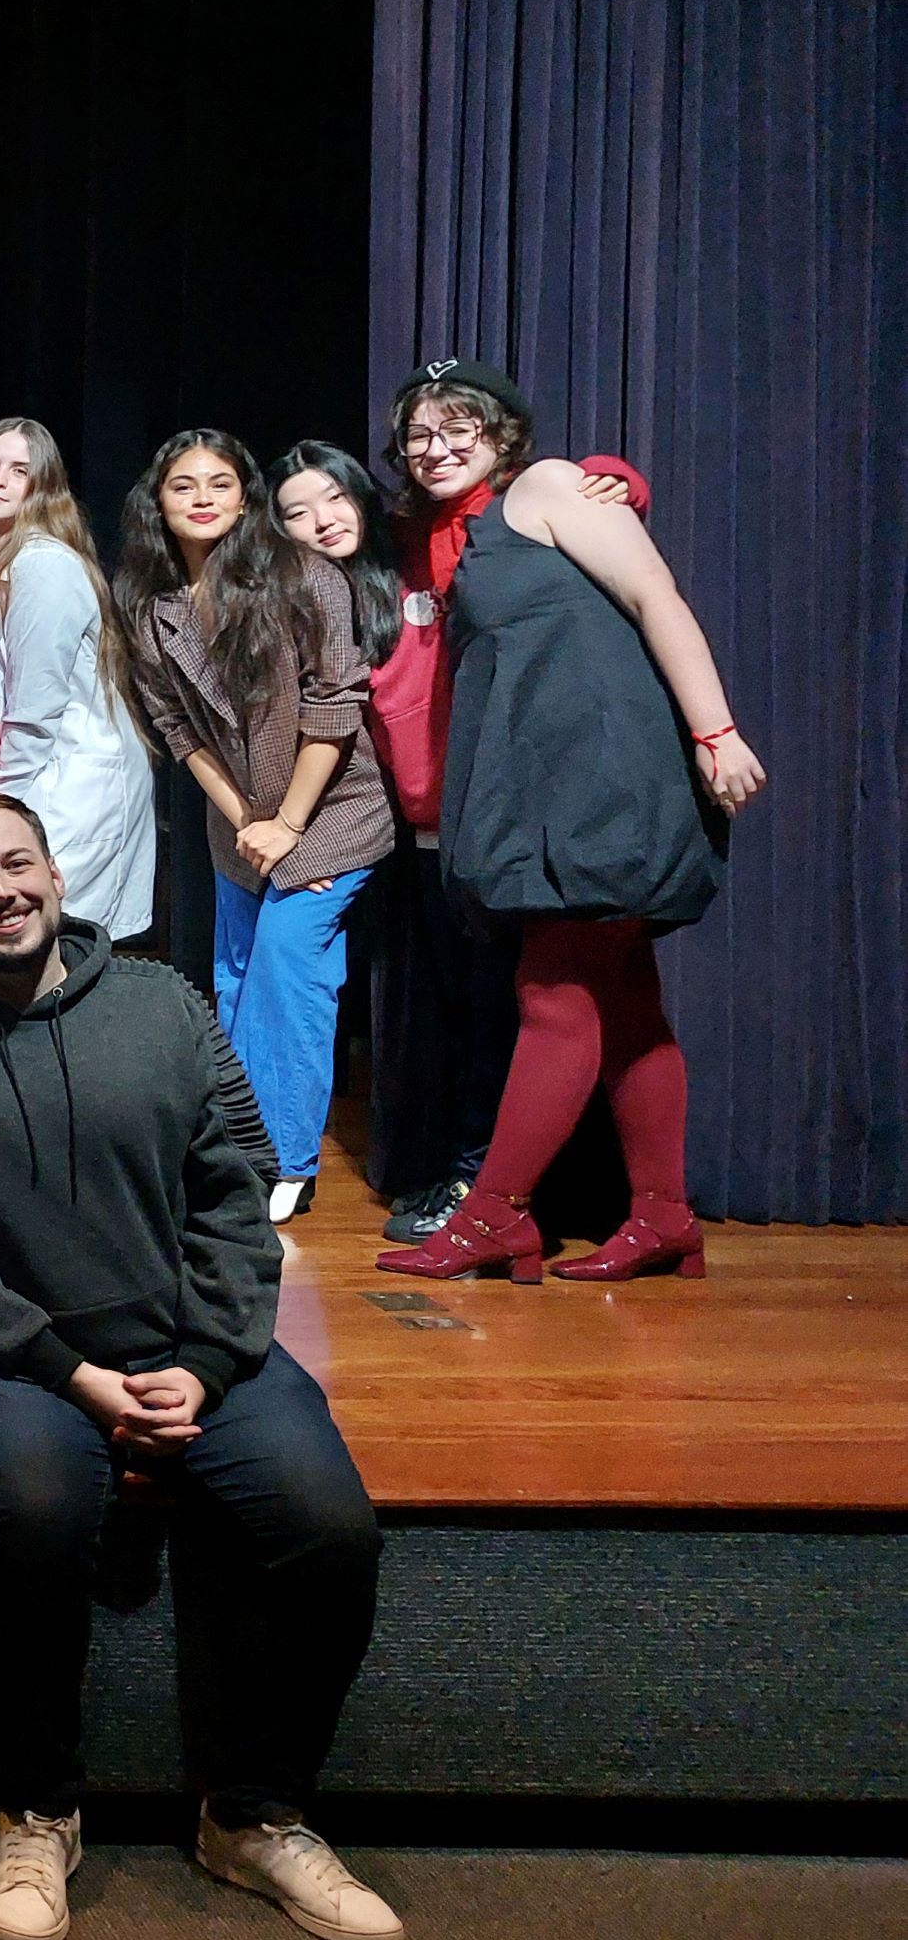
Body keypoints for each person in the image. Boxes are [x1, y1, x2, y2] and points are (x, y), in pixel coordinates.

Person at [0, 792, 399, 1940]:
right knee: (37, 1511)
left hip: (193, 1346)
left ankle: (253, 1815)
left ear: (56, 875)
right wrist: (74, 1375)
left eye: (17, 864)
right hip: (15, 1362)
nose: (0, 891)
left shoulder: (165, 1003)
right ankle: (34, 1808)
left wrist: (203, 1363)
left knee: (327, 1526)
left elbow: (236, 1184)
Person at [376, 361, 765, 1287]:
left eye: (458, 426)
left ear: (503, 433)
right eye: (418, 434)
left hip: (607, 774)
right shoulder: (456, 537)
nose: (435, 447)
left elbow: (655, 596)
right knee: (624, 1003)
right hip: (554, 780)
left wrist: (716, 730)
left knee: (553, 992)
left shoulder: (549, 486)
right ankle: (663, 1216)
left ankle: (495, 1214)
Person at [275, 408, 641, 1243]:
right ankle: (469, 1177)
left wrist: (618, 481)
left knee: (502, 1013)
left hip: (494, 820)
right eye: (296, 510)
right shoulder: (324, 596)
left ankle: (488, 1186)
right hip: (418, 833)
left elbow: (537, 520)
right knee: (455, 1017)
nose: (321, 520)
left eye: (334, 498)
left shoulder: (427, 545)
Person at [113, 429, 392, 1218]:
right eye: (183, 485)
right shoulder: (152, 602)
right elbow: (178, 730)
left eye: (220, 483)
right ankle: (232, 1151)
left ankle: (284, 1160)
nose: (202, 498)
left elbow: (335, 705)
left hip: (332, 807)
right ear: (158, 502)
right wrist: (247, 820)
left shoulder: (302, 577)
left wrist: (290, 827)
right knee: (234, 976)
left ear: (245, 499)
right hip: (241, 820)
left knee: (285, 963)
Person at [0, 418, 156, 942]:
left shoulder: (42, 565)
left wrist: (2, 811)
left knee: (63, 941)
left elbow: (34, 712)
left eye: (19, 471)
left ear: (42, 489)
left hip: (74, 780)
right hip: (44, 774)